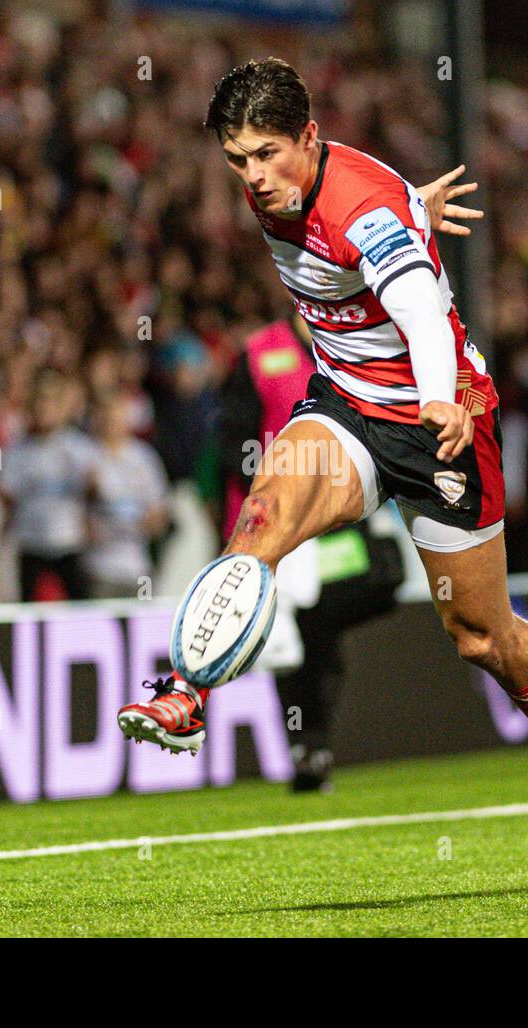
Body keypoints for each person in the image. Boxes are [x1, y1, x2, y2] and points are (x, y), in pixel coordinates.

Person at [118, 58, 528, 862]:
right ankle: (184, 692)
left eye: (269, 154)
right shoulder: (298, 189)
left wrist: (442, 392)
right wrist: (413, 207)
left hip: (439, 417)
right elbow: (365, 226)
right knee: (264, 515)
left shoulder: (362, 210)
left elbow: (414, 302)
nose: (255, 176)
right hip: (344, 404)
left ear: (309, 138)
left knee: (482, 638)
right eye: (239, 160)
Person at [218, 313, 404, 792]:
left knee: (380, 581)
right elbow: (235, 437)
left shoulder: (351, 341)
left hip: (339, 511)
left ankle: (309, 737)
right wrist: (270, 503)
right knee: (304, 644)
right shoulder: (261, 351)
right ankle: (309, 746)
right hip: (282, 520)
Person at [0, 368, 97, 601]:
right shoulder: (18, 451)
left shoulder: (79, 448)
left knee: (79, 610)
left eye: (51, 404)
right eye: (39, 405)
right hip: (31, 544)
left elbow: (94, 492)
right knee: (29, 610)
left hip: (69, 542)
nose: (44, 411)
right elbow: (7, 496)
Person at [85, 394, 171, 600]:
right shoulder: (85, 456)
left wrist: (146, 523)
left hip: (137, 568)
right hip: (99, 568)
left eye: (115, 419)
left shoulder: (144, 458)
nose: (110, 425)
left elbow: (160, 514)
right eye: (105, 418)